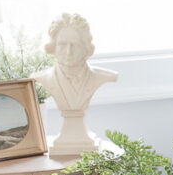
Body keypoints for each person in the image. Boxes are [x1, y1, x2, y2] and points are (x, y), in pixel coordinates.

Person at [40, 12, 117, 159]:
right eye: (62, 45)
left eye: (74, 45)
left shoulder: (101, 77)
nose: (68, 52)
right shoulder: (43, 78)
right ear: (53, 47)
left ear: (86, 48)